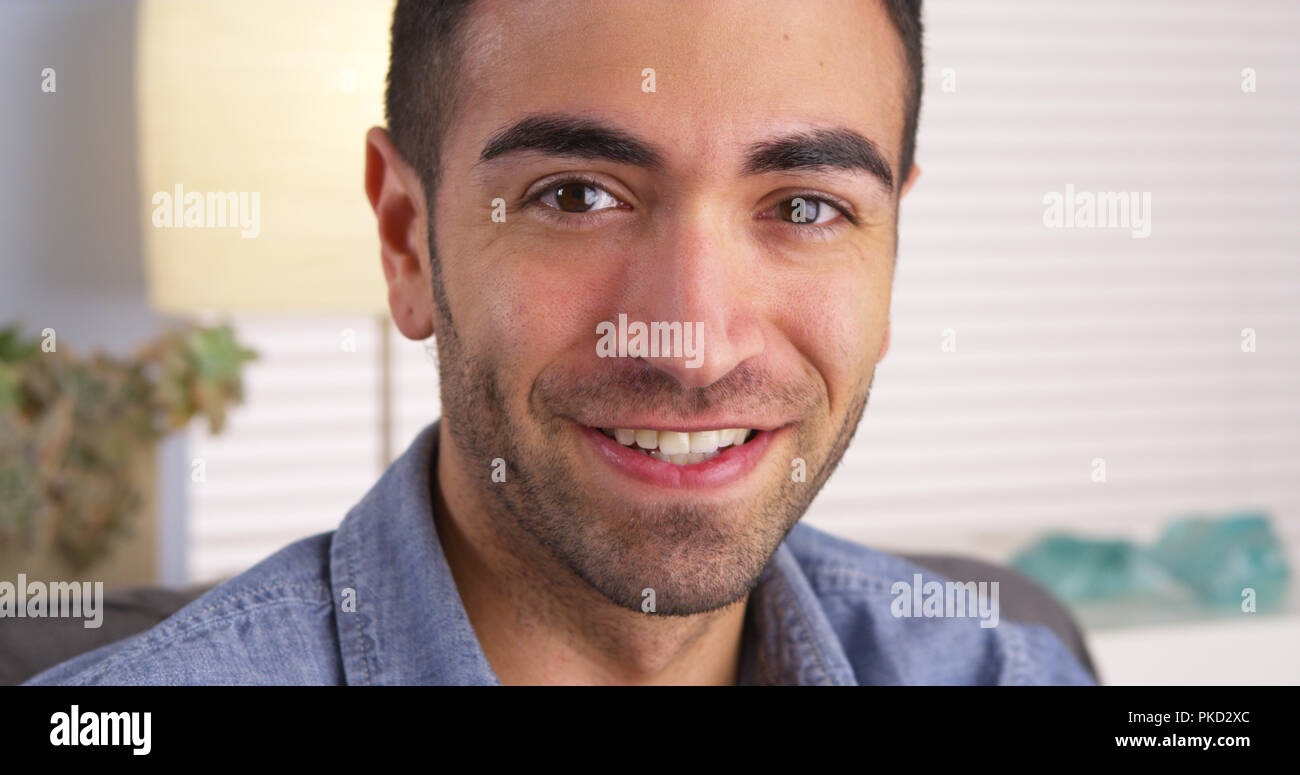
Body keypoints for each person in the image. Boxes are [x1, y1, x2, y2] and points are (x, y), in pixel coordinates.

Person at [28, 0, 1094, 686]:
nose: (692, 346)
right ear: (406, 238)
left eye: (806, 207)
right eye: (577, 195)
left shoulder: (1004, 671)